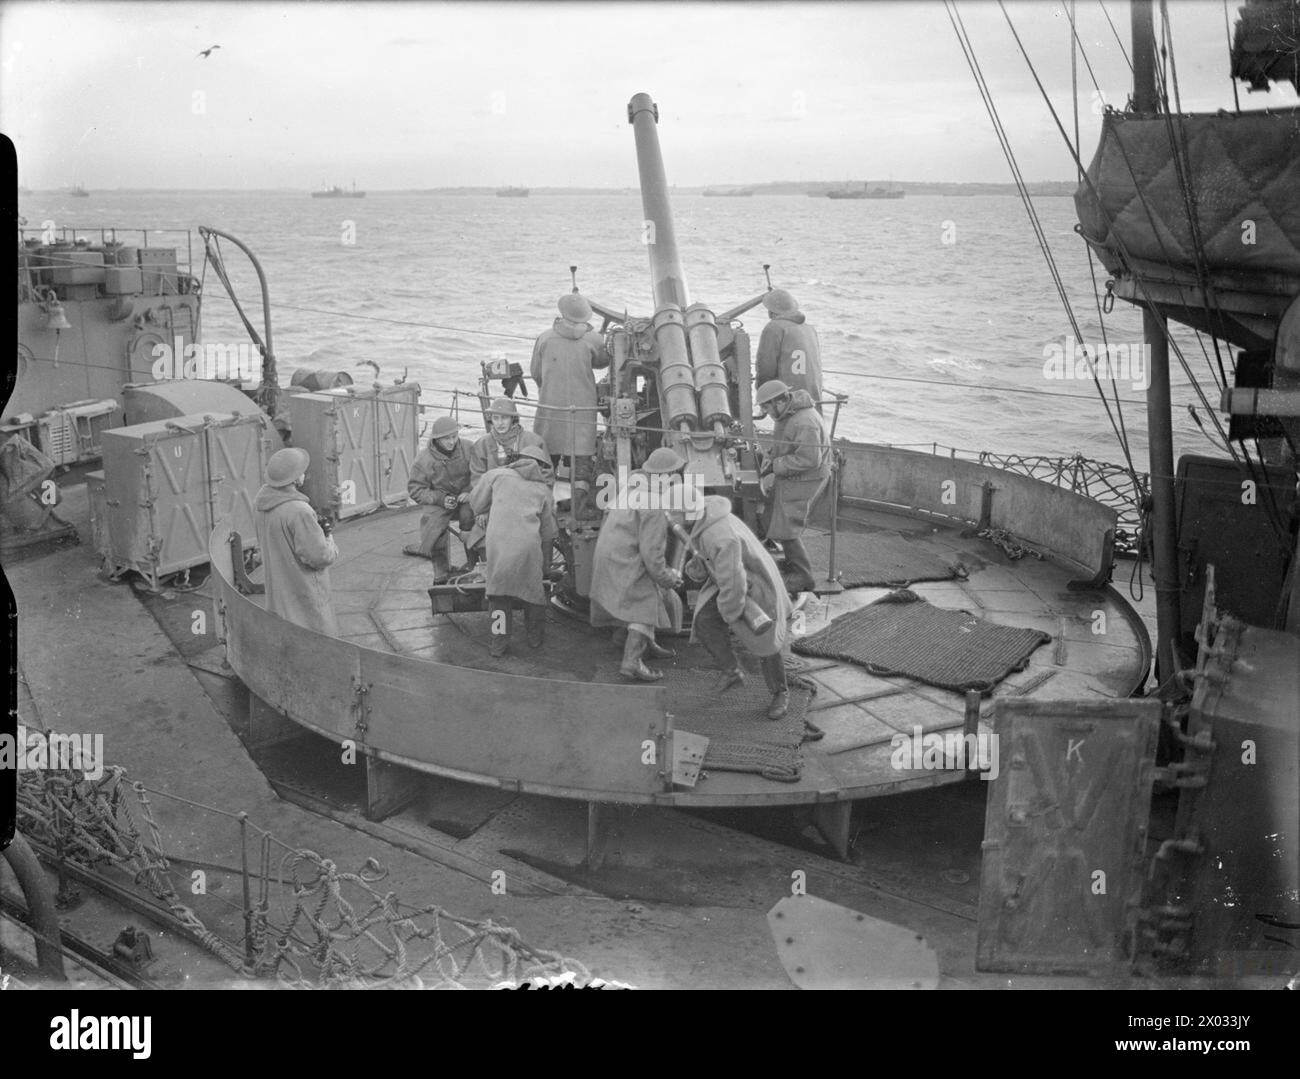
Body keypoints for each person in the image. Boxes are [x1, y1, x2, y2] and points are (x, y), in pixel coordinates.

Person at [686, 495, 794, 720]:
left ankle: (780, 692)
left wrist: (730, 613)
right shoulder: (704, 518)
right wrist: (697, 565)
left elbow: (734, 582)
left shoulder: (718, 534)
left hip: (757, 584)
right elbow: (714, 564)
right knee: (704, 621)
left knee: (766, 638)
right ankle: (731, 669)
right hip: (730, 580)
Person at [588, 447, 688, 682]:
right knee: (646, 603)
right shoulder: (653, 503)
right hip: (625, 560)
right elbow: (652, 556)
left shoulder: (632, 488)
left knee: (636, 596)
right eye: (676, 474)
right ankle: (632, 662)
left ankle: (637, 642)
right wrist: (668, 577)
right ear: (665, 476)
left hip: (609, 555)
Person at [469, 443, 558, 657]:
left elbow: (475, 501)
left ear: (516, 459)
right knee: (534, 595)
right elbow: (548, 534)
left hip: (498, 543)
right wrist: (545, 567)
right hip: (527, 547)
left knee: (498, 596)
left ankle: (498, 644)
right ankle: (535, 638)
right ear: (541, 466)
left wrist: (485, 509)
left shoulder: (496, 475)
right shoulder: (543, 490)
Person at [530, 293, 610, 521]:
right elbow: (604, 361)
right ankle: (578, 509)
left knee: (547, 460)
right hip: (582, 411)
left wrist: (548, 390)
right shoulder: (591, 339)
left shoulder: (544, 338)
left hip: (550, 409)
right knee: (582, 462)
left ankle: (543, 509)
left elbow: (536, 373)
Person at [755, 379, 831, 595]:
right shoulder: (788, 415)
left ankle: (803, 577)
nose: (766, 412)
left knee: (788, 523)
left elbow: (809, 459)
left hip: (808, 477)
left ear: (780, 401)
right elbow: (786, 445)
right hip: (797, 472)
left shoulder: (804, 421)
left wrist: (776, 467)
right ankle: (791, 565)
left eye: (767, 407)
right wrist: (770, 458)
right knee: (777, 516)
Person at [253, 447, 339, 637]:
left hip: (278, 589)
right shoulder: (300, 511)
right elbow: (320, 557)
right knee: (316, 636)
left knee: (286, 632)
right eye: (301, 471)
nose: (304, 474)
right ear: (294, 479)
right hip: (303, 589)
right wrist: (328, 537)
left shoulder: (261, 500)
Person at [465, 397, 548, 564]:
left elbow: (546, 476)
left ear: (513, 419)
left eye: (504, 418)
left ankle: (541, 566)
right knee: (480, 529)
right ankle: (482, 566)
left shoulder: (533, 441)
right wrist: (482, 510)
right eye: (495, 418)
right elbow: (478, 480)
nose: (500, 423)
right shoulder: (482, 444)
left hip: (527, 500)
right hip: (495, 501)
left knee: (540, 528)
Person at [404, 415, 475, 583]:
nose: (451, 442)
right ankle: (441, 572)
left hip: (467, 497)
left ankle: (474, 566)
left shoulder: (469, 448)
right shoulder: (423, 459)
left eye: (454, 436)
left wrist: (470, 491)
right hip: (440, 502)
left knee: (470, 520)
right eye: (446, 438)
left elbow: (480, 473)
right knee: (434, 526)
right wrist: (439, 498)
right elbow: (415, 489)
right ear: (436, 439)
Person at [755, 289, 824, 414]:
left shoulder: (774, 328)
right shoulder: (809, 329)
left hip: (788, 402)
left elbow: (766, 367)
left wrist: (762, 398)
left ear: (771, 312)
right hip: (813, 401)